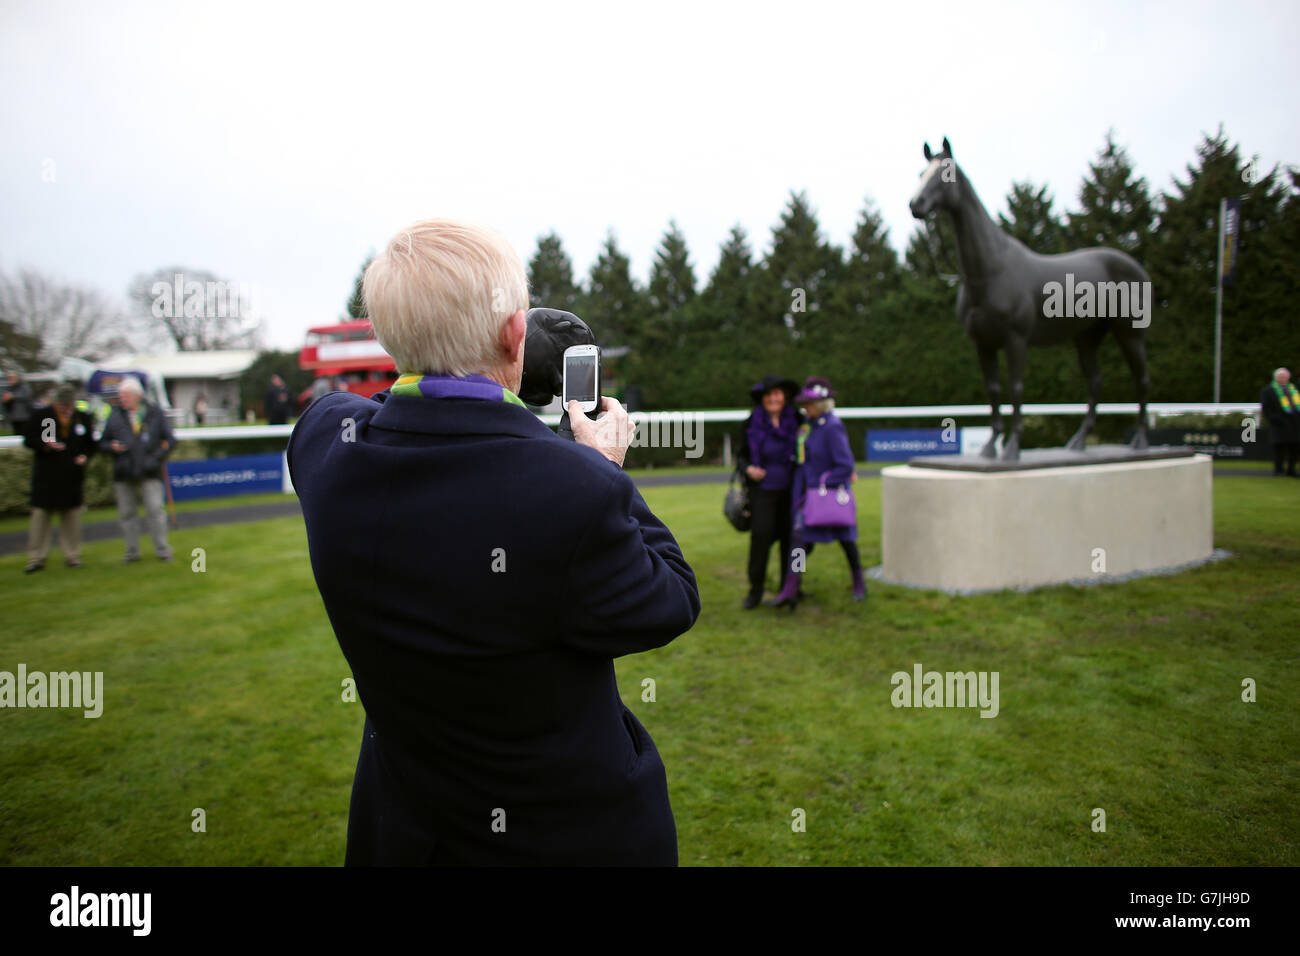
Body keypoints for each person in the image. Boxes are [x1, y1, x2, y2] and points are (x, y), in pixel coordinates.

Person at [287, 218, 700, 866]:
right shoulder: (575, 489)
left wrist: (443, 350)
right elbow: (672, 598)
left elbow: (366, 408)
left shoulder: (327, 452)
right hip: (569, 835)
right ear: (516, 333)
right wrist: (602, 464)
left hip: (408, 834)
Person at [770, 376, 865, 608]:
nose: (804, 407)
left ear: (820, 405)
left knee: (847, 542)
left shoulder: (832, 426)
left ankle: (859, 583)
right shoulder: (807, 426)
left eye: (808, 404)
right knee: (799, 543)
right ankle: (790, 588)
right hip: (806, 496)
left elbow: (845, 465)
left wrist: (823, 483)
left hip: (828, 497)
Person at [735, 375, 801, 609]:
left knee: (795, 542)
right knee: (760, 538)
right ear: (762, 399)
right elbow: (740, 457)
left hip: (794, 490)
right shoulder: (751, 423)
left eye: (777, 394)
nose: (773, 398)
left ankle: (793, 587)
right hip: (762, 491)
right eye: (769, 395)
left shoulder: (799, 420)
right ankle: (755, 590)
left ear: (785, 397)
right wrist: (749, 469)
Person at [21, 384, 96, 573]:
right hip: (47, 474)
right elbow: (28, 439)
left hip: (71, 475)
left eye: (69, 406)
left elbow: (90, 444)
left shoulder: (82, 417)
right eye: (63, 406)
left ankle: (72, 555)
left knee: (71, 517)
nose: (66, 409)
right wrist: (45, 445)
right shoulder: (42, 415)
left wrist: (85, 457)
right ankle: (37, 557)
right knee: (41, 516)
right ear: (56, 402)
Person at [100, 377, 175, 562]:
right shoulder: (115, 415)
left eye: (125, 395)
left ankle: (162, 549)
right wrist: (112, 447)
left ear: (138, 396)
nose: (122, 399)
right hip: (124, 472)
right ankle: (132, 551)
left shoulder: (154, 413)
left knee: (155, 510)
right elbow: (102, 442)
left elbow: (170, 440)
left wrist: (156, 458)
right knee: (127, 514)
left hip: (149, 471)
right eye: (120, 395)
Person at [1260, 367, 1299, 477]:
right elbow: (1266, 409)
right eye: (1280, 377)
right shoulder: (1268, 390)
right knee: (1279, 448)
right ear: (1275, 378)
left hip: (1295, 424)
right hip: (1279, 424)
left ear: (1288, 378)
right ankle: (1279, 470)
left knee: (1295, 448)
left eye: (1284, 376)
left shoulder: (1294, 389)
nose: (1282, 378)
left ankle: (1292, 470)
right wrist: (1276, 420)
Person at [3, 372, 33, 436]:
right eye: (10, 379)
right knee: (17, 434)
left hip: (24, 416)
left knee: (25, 433)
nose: (11, 380)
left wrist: (13, 396)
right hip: (14, 417)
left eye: (13, 378)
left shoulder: (24, 387)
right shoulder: (8, 388)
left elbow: (27, 396)